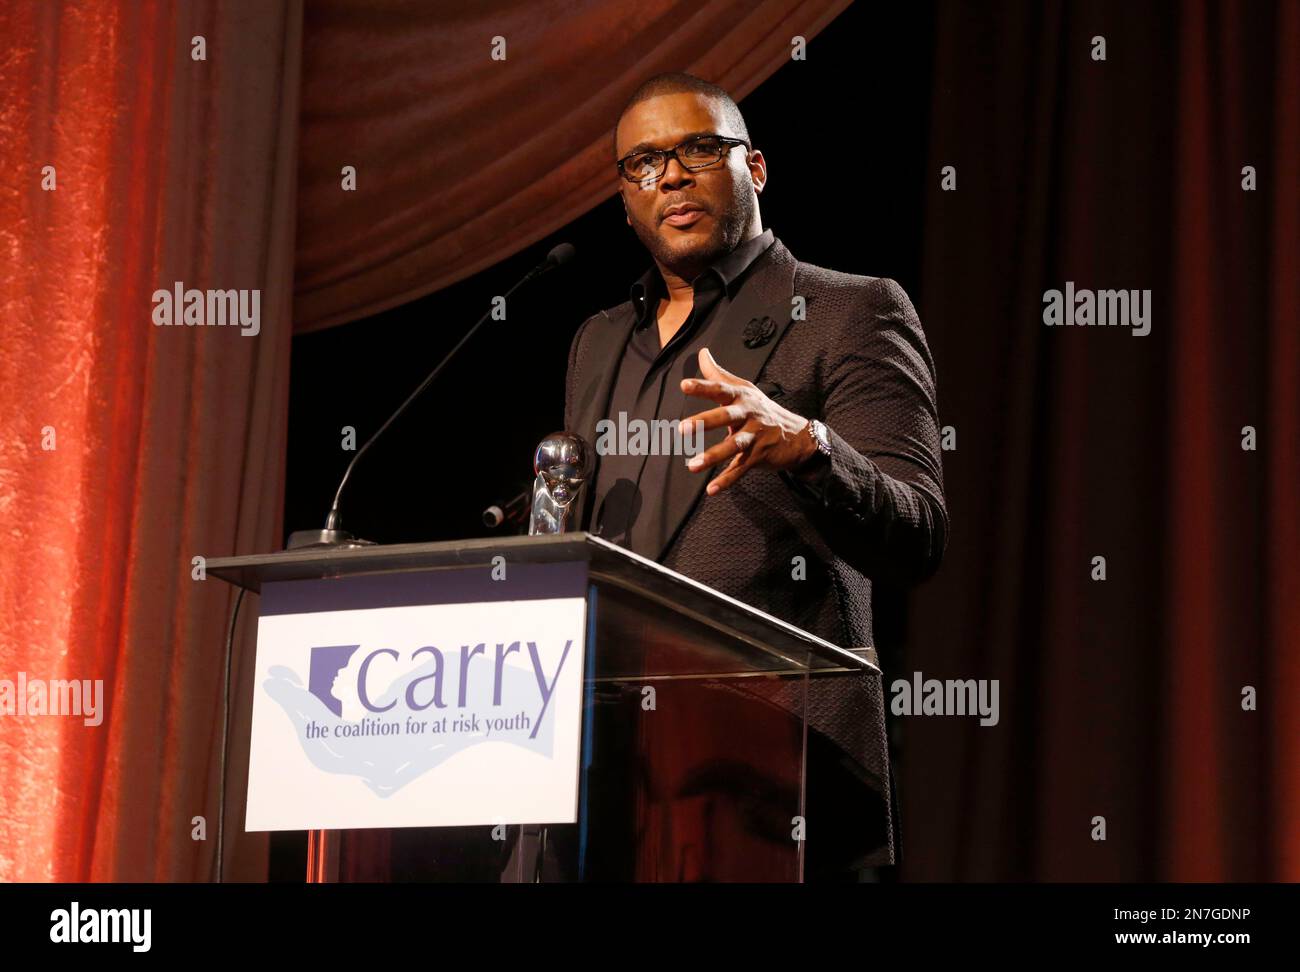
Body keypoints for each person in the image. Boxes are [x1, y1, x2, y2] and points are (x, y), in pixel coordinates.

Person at [564, 72, 948, 880]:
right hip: (618, 780)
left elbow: (918, 534)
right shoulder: (597, 343)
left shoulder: (852, 310)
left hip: (782, 780)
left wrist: (811, 445)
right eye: (643, 162)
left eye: (699, 149)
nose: (670, 175)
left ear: (756, 169)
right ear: (625, 196)